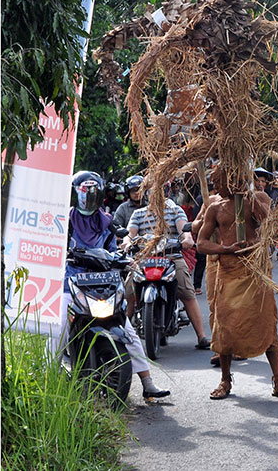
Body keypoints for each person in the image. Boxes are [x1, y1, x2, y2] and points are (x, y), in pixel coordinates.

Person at [62, 171, 169, 399]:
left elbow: (114, 250)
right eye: (84, 193)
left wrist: (125, 259)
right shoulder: (65, 221)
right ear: (75, 194)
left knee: (129, 333)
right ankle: (48, 376)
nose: (88, 198)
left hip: (102, 284)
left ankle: (147, 382)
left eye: (93, 193)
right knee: (58, 328)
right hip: (71, 283)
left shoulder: (107, 222)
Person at [196, 166, 278, 400]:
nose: (215, 186)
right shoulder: (214, 208)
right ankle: (225, 380)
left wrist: (249, 197)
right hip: (228, 273)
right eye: (213, 182)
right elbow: (201, 243)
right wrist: (225, 249)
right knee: (224, 327)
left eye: (218, 182)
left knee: (267, 323)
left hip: (255, 272)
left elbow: (271, 226)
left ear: (231, 179)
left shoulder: (257, 199)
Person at [127, 191, 211, 349]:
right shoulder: (138, 214)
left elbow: (184, 230)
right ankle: (123, 335)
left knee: (187, 293)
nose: (155, 194)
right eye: (151, 190)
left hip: (171, 257)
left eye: (159, 190)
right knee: (129, 293)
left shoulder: (175, 210)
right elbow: (130, 235)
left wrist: (187, 239)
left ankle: (201, 336)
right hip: (144, 258)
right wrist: (126, 242)